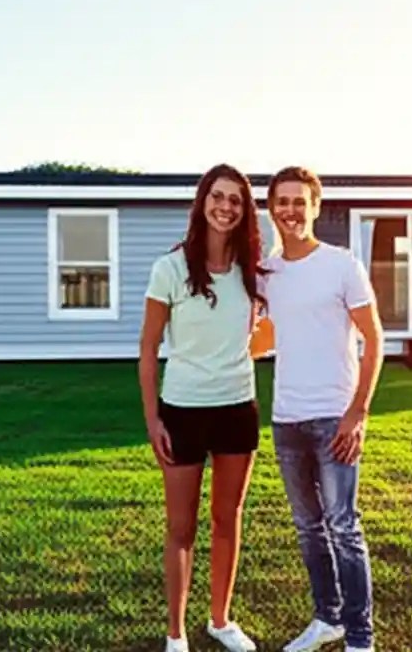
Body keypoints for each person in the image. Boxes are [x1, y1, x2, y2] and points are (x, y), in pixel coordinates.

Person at [139, 164, 267, 652]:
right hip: (183, 410)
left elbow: (264, 326)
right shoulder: (169, 268)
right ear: (202, 201)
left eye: (236, 200)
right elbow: (148, 349)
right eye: (218, 196)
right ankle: (175, 634)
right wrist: (153, 421)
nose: (226, 206)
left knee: (226, 518)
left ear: (244, 210)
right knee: (181, 527)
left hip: (237, 407)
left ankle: (220, 620)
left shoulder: (253, 268)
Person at [256, 166, 384, 652]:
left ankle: (359, 638)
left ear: (315, 206)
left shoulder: (341, 265)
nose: (290, 210)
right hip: (287, 418)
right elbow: (267, 336)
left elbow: (374, 340)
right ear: (272, 209)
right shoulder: (268, 273)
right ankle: (326, 619)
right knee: (309, 529)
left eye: (299, 201)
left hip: (335, 416)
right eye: (281, 201)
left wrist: (358, 413)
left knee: (343, 527)